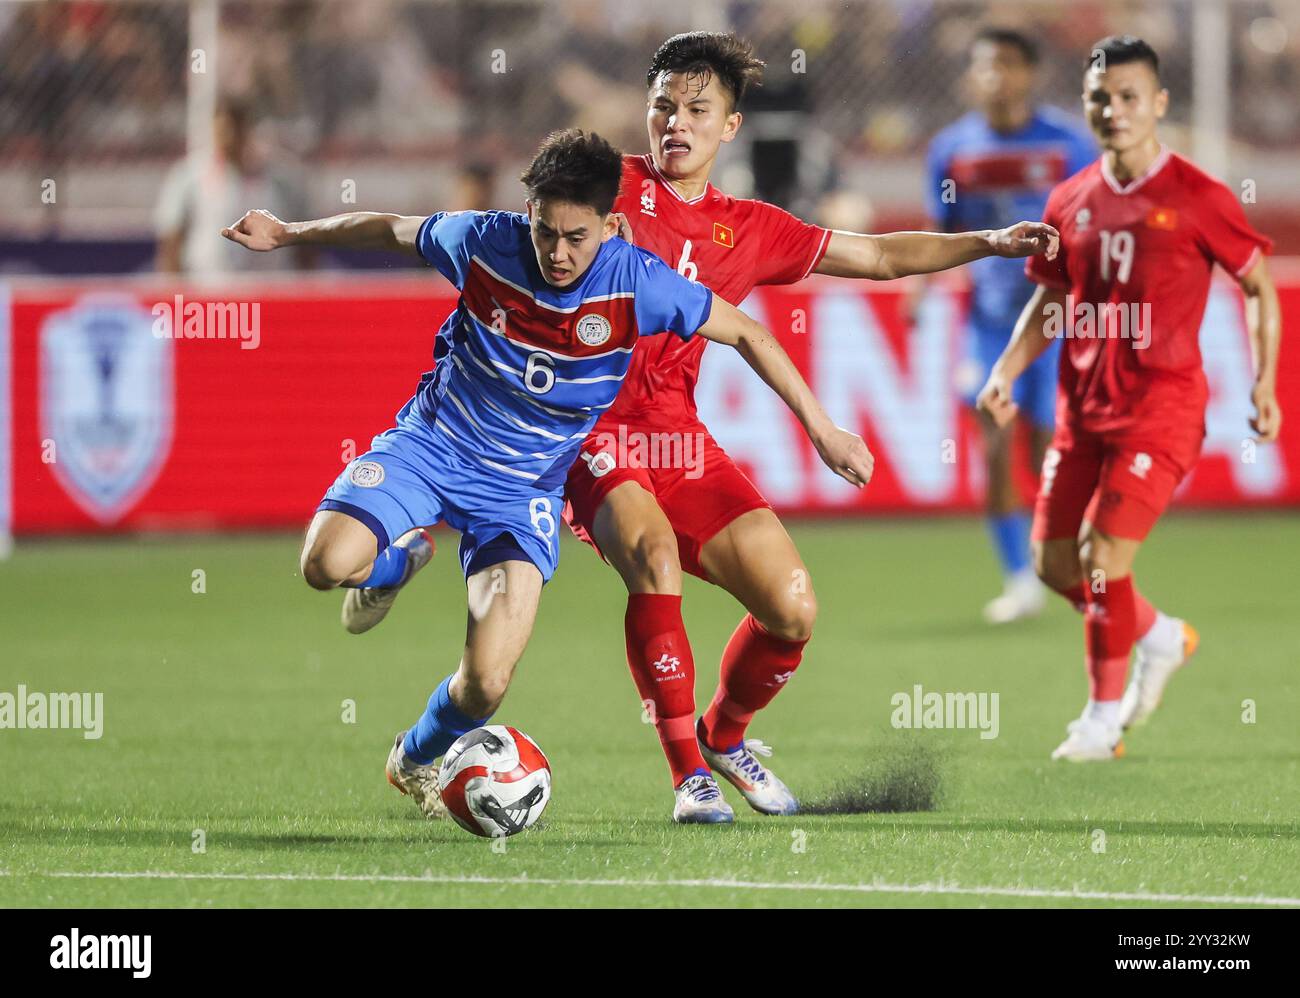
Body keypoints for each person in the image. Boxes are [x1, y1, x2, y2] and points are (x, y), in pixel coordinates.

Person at [220, 129, 872, 822]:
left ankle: (413, 757)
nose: (557, 254)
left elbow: (747, 332)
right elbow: (388, 229)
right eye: (545, 232)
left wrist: (822, 427)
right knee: (325, 565)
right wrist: (289, 233)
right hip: (433, 448)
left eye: (575, 237)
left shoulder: (636, 280)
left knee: (486, 685)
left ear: (609, 227)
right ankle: (391, 564)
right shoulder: (483, 242)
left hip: (521, 494)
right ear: (526, 214)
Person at [562, 32, 1060, 820]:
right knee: (652, 555)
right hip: (588, 432)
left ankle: (724, 737)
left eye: (697, 109)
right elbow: (510, 235)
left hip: (677, 436)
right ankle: (688, 774)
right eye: (662, 107)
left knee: (791, 609)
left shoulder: (749, 226)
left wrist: (987, 243)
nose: (675, 124)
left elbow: (880, 258)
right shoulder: (603, 187)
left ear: (730, 128)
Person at [976, 36, 1281, 760]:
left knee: (1102, 558)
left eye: (1129, 97)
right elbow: (1052, 301)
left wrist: (1265, 381)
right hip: (1084, 414)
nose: (1114, 110)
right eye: (1101, 98)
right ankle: (1158, 635)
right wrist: (1007, 370)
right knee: (1056, 566)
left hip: (1161, 412)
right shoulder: (1069, 199)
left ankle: (1102, 719)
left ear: (1159, 104)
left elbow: (1258, 285)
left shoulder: (1199, 196)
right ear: (1086, 104)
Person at [923, 27, 1096, 624]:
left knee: (1052, 446)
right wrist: (919, 289)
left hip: (1056, 318)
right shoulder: (951, 149)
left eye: (1006, 65)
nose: (994, 77)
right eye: (984, 66)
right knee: (996, 443)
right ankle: (1019, 579)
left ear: (1028, 73)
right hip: (990, 323)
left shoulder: (1070, 146)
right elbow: (939, 233)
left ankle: (1068, 564)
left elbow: (1098, 229)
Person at [157, 98, 311, 275]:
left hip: (270, 288)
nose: (229, 138)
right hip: (209, 290)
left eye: (235, 130)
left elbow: (304, 245)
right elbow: (171, 242)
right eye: (222, 130)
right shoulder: (189, 177)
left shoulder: (282, 178)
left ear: (247, 129)